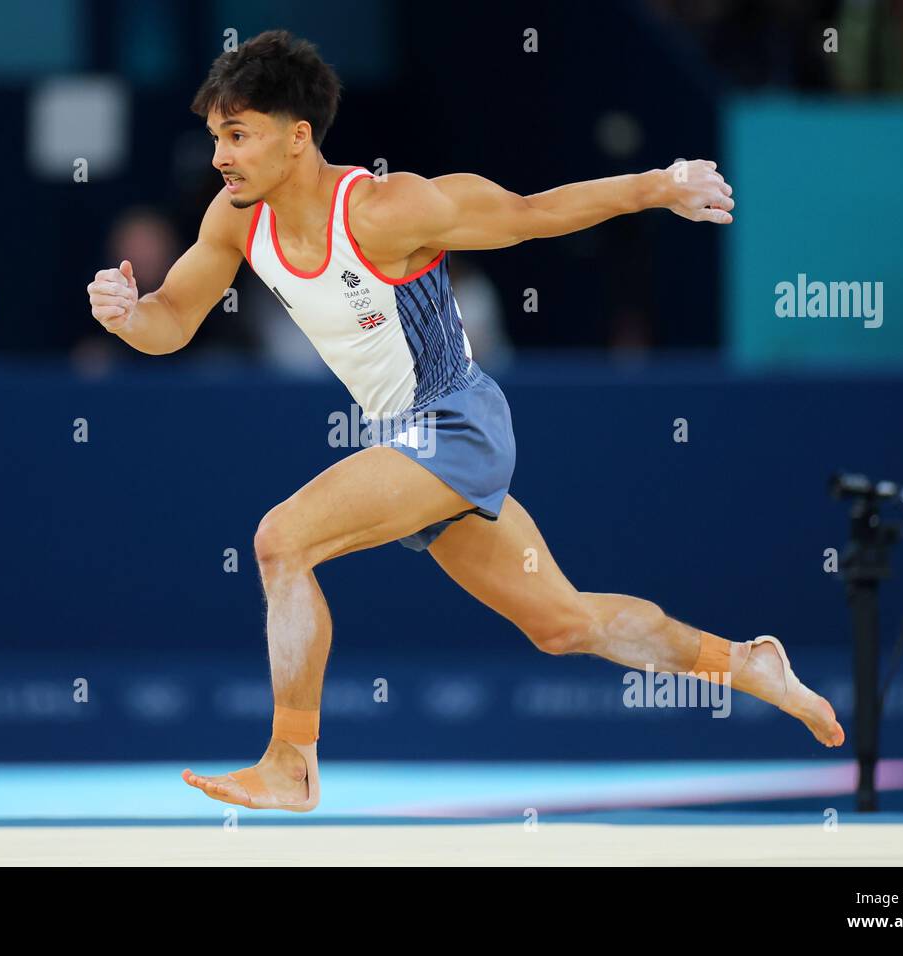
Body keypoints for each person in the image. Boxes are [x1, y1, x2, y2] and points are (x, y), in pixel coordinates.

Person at [86, 30, 843, 812]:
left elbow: (529, 214)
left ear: (298, 136)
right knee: (562, 623)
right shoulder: (237, 218)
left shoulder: (388, 210)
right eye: (217, 137)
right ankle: (746, 664)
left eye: (238, 135)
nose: (220, 156)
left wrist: (657, 184)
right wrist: (127, 315)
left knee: (282, 541)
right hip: (407, 445)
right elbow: (173, 319)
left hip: (456, 424)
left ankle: (292, 760)